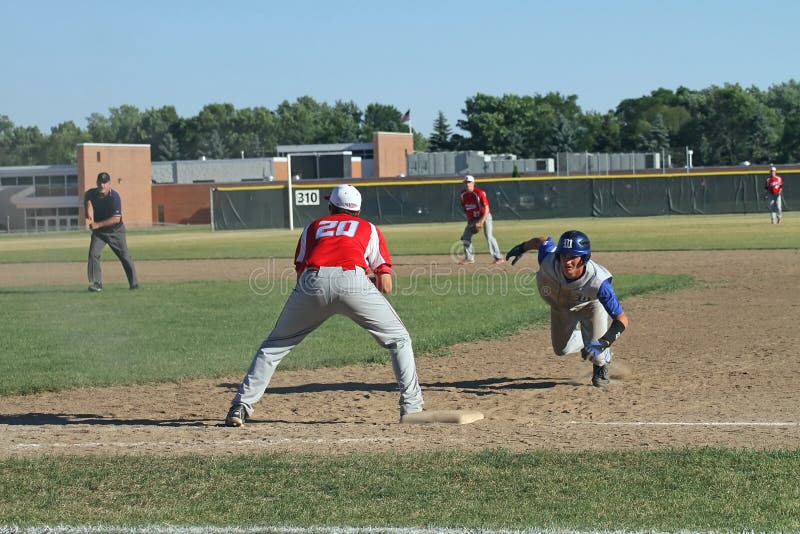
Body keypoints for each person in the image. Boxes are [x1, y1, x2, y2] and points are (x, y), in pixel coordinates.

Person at [225, 184, 424, 427]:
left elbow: (301, 276)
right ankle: (412, 409)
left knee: (274, 346)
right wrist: (358, 284)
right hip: (353, 282)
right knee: (399, 340)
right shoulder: (369, 228)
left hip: (312, 282)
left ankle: (240, 406)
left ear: (331, 207)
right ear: (358, 211)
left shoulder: (314, 227)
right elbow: (386, 284)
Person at [505, 230, 630, 387]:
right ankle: (588, 340)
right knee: (561, 350)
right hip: (561, 309)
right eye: (564, 255)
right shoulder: (548, 259)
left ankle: (602, 364)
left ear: (583, 258)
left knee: (596, 354)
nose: (567, 261)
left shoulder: (599, 282)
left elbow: (622, 319)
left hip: (590, 307)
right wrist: (523, 247)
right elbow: (542, 241)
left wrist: (601, 343)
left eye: (573, 257)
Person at [84, 172, 139, 292]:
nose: (102, 185)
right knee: (93, 254)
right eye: (100, 182)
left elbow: (116, 218)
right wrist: (86, 211)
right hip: (99, 233)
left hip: (116, 231)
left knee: (124, 256)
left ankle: (134, 284)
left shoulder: (114, 197)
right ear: (97, 183)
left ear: (109, 184)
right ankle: (96, 283)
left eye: (104, 182)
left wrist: (97, 224)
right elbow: (86, 197)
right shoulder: (92, 193)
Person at [459, 175, 503, 264]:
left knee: (489, 236)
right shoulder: (463, 194)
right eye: (466, 182)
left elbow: (486, 209)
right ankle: (469, 258)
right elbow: (466, 209)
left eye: (469, 182)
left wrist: (482, 222)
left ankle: (498, 257)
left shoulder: (479, 193)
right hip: (473, 218)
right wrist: (469, 221)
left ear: (473, 183)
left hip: (485, 217)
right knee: (465, 237)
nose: (467, 184)